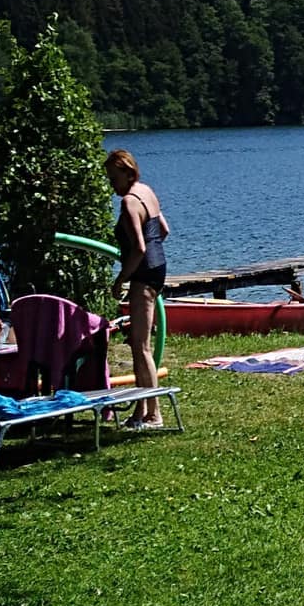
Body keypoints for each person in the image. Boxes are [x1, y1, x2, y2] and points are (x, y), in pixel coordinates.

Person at [106, 148, 170, 426]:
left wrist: (121, 279)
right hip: (158, 269)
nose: (111, 184)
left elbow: (139, 248)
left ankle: (154, 414)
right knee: (137, 345)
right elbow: (163, 231)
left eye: (113, 178)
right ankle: (139, 412)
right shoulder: (147, 192)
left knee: (141, 347)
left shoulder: (130, 203)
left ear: (128, 173)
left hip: (143, 275)